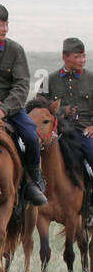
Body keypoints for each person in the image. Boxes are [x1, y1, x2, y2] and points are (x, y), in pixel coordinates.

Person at [0, 4, 46, 205]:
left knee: (31, 136)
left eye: (7, 24)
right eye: (1, 24)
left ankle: (32, 182)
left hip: (9, 108)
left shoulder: (15, 50)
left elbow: (22, 85)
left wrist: (3, 109)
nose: (5, 29)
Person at [37, 37, 93, 177]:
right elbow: (38, 106)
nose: (82, 60)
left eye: (83, 56)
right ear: (65, 57)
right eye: (77, 57)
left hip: (84, 129)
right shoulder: (49, 80)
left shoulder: (91, 78)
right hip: (58, 130)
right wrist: (62, 111)